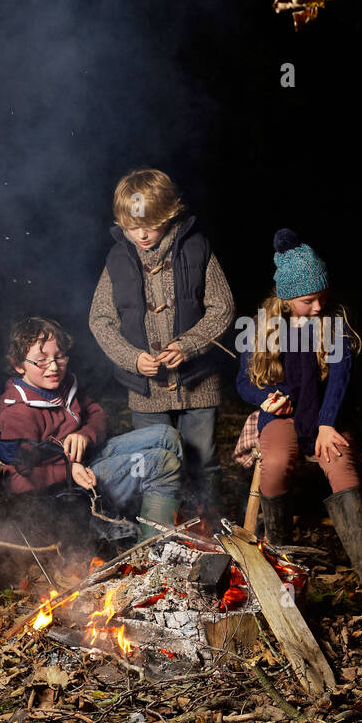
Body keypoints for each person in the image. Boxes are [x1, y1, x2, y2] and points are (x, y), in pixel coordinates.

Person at [235, 229, 362, 591]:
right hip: (282, 417)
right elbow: (244, 382)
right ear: (287, 297)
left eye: (322, 296)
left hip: (328, 413)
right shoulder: (265, 327)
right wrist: (266, 399)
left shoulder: (333, 324)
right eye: (309, 300)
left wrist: (327, 424)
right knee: (275, 463)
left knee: (340, 456)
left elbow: (340, 379)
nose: (319, 306)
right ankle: (280, 558)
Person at [88, 169, 235, 518]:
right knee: (155, 459)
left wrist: (188, 346)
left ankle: (211, 529)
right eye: (131, 226)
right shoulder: (117, 260)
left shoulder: (197, 249)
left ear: (169, 216)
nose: (140, 234)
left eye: (149, 226)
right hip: (146, 387)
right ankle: (162, 536)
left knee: (203, 459)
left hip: (198, 381)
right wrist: (132, 358)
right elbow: (100, 320)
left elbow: (223, 306)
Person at [0, 317, 183, 541]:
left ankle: (181, 512)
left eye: (60, 356)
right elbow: (17, 480)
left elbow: (97, 414)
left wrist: (84, 435)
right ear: (18, 365)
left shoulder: (63, 386)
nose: (54, 367)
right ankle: (156, 550)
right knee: (161, 462)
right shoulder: (18, 413)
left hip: (89, 458)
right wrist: (68, 471)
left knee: (166, 435)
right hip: (66, 493)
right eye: (41, 361)